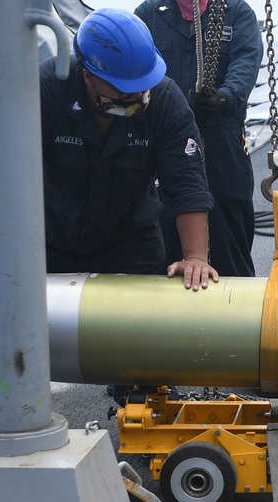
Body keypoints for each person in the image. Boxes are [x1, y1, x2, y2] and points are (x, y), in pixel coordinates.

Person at [41, 6, 218, 292]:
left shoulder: (166, 101)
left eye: (143, 85)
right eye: (124, 90)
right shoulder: (47, 90)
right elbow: (9, 182)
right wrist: (0, 263)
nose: (137, 95)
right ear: (88, 76)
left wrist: (195, 258)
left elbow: (188, 185)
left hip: (132, 250)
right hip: (52, 246)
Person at [136, 0, 263, 277]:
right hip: (164, 144)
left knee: (229, 239)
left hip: (221, 139)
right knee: (159, 240)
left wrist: (223, 97)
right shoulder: (148, 14)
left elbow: (246, 64)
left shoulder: (237, 13)